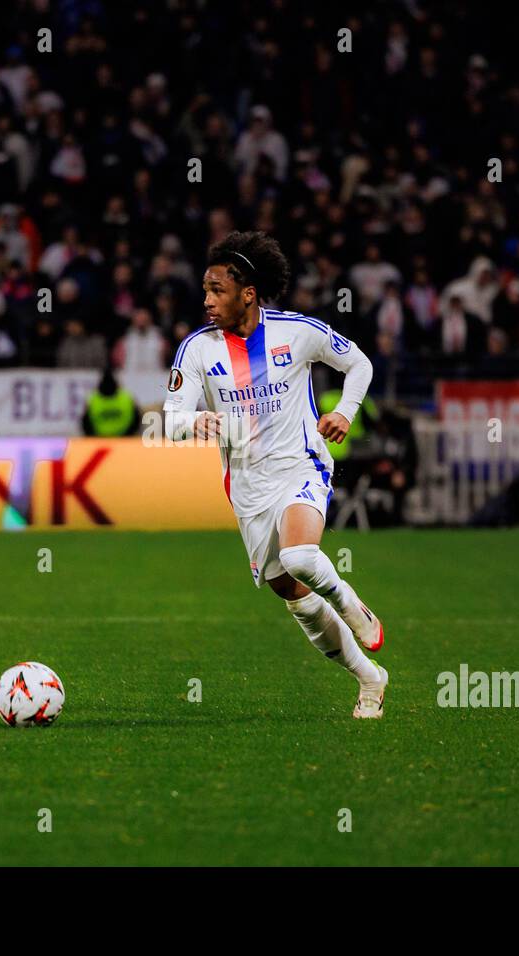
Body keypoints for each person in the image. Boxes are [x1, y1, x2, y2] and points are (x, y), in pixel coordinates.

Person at [163, 230, 388, 719]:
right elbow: (171, 415)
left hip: (300, 465)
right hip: (247, 486)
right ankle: (369, 678)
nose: (206, 300)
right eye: (204, 290)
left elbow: (360, 364)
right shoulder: (197, 349)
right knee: (292, 592)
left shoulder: (297, 331)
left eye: (215, 290)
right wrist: (192, 423)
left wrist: (345, 412)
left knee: (302, 555)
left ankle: (353, 605)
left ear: (247, 293)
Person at [82, 368, 138, 436]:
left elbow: (85, 423)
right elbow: (136, 419)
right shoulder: (127, 397)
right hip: (124, 440)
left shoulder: (92, 399)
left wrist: (93, 438)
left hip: (99, 441)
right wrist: (128, 436)